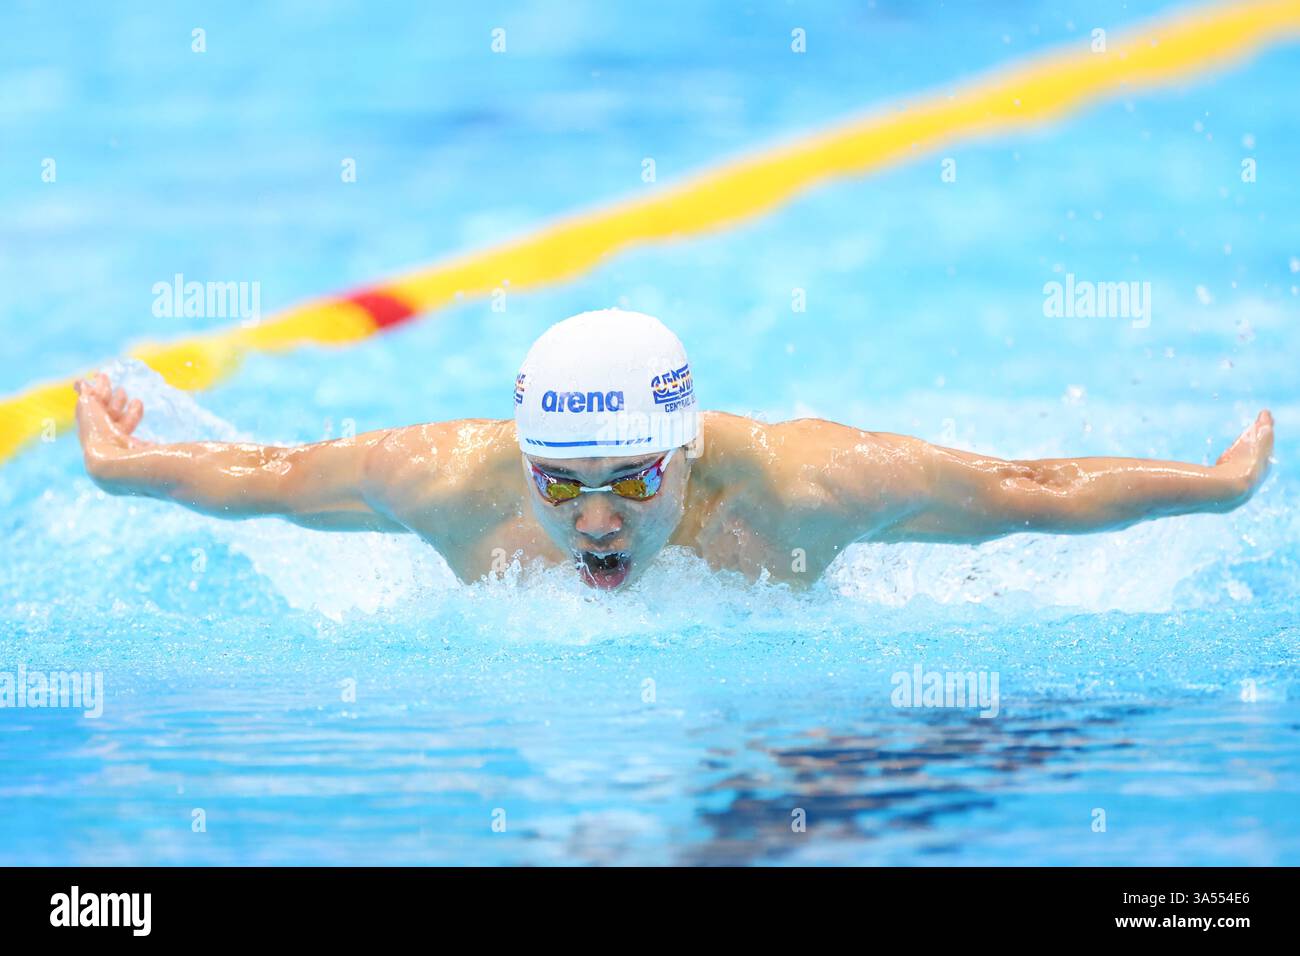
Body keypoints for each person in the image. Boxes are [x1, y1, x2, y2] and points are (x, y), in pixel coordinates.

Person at [75, 309, 1274, 590]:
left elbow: (1027, 491)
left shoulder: (805, 484)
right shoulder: (451, 482)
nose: (596, 522)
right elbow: (269, 476)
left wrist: (1214, 490)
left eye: (634, 482)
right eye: (565, 486)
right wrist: (121, 462)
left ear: (687, 453)